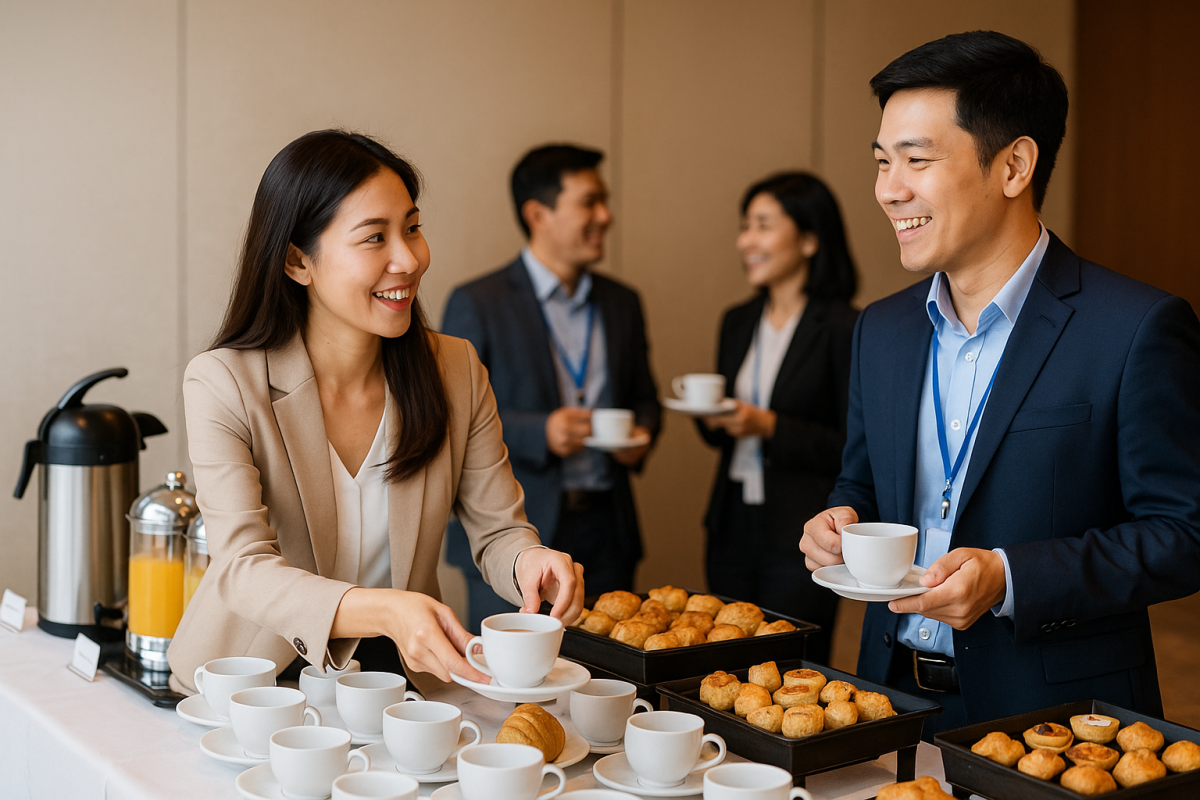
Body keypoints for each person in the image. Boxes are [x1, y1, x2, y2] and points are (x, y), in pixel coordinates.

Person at [800, 30, 1200, 734]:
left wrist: (1011, 577)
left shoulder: (1135, 327)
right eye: (882, 162)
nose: (889, 191)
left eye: (917, 161)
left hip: (1057, 722)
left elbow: (1183, 533)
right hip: (888, 701)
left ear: (1014, 165)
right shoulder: (883, 329)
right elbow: (861, 483)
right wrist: (841, 523)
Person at [166, 130, 583, 693]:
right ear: (297, 261)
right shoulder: (223, 382)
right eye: (374, 238)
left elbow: (498, 532)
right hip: (254, 687)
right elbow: (242, 569)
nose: (408, 259)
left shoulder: (455, 370)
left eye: (412, 228)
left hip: (402, 685)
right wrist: (384, 610)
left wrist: (529, 562)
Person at [442, 144, 661, 631]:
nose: (605, 216)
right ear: (538, 214)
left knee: (605, 686)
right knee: (515, 691)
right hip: (514, 531)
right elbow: (451, 418)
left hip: (608, 529)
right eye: (589, 202)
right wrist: (542, 432)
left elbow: (645, 398)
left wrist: (641, 434)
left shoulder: (622, 302)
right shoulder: (479, 302)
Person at [695, 172, 858, 664]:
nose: (746, 241)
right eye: (745, 226)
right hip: (732, 524)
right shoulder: (737, 320)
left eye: (762, 225)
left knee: (793, 665)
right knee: (723, 661)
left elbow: (852, 446)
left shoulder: (846, 326)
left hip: (801, 530)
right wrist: (714, 418)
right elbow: (719, 428)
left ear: (809, 239)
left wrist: (770, 427)